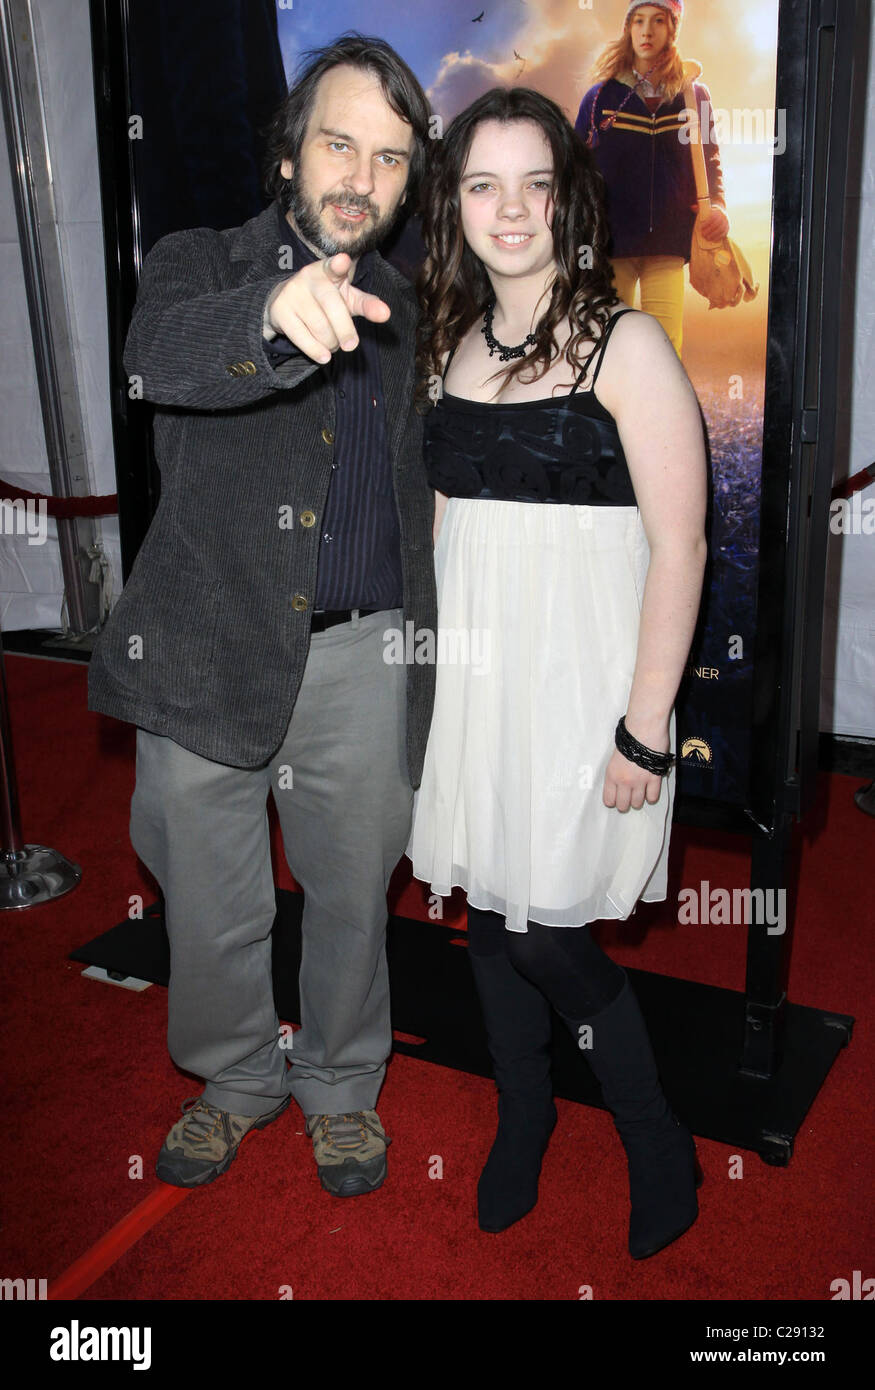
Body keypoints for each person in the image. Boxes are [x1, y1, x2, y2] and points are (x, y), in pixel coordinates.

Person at [87, 35, 437, 1198]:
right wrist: (271, 318)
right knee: (211, 897)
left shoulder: (410, 305)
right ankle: (234, 1076)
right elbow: (156, 357)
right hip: (204, 644)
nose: (359, 178)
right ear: (289, 151)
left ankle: (340, 1084)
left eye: (388, 160)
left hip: (359, 652)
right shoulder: (200, 265)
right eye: (338, 144)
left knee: (350, 895)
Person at [407, 85, 709, 1258]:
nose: (508, 208)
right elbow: (443, 534)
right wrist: (426, 690)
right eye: (481, 184)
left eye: (533, 182)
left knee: (545, 933)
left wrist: (643, 728)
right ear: (455, 207)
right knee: (489, 913)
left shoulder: (626, 342)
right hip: (479, 689)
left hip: (585, 690)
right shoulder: (452, 344)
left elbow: (680, 545)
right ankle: (520, 1118)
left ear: (567, 201)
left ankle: (654, 1137)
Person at [575, 0, 729, 358]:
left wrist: (719, 206)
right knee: (605, 342)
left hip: (669, 240)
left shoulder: (694, 96)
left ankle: (657, 413)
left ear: (672, 28)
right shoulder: (599, 97)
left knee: (664, 345)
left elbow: (710, 159)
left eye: (658, 21)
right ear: (628, 28)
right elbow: (574, 167)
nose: (647, 31)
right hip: (610, 242)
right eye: (639, 21)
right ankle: (604, 413)